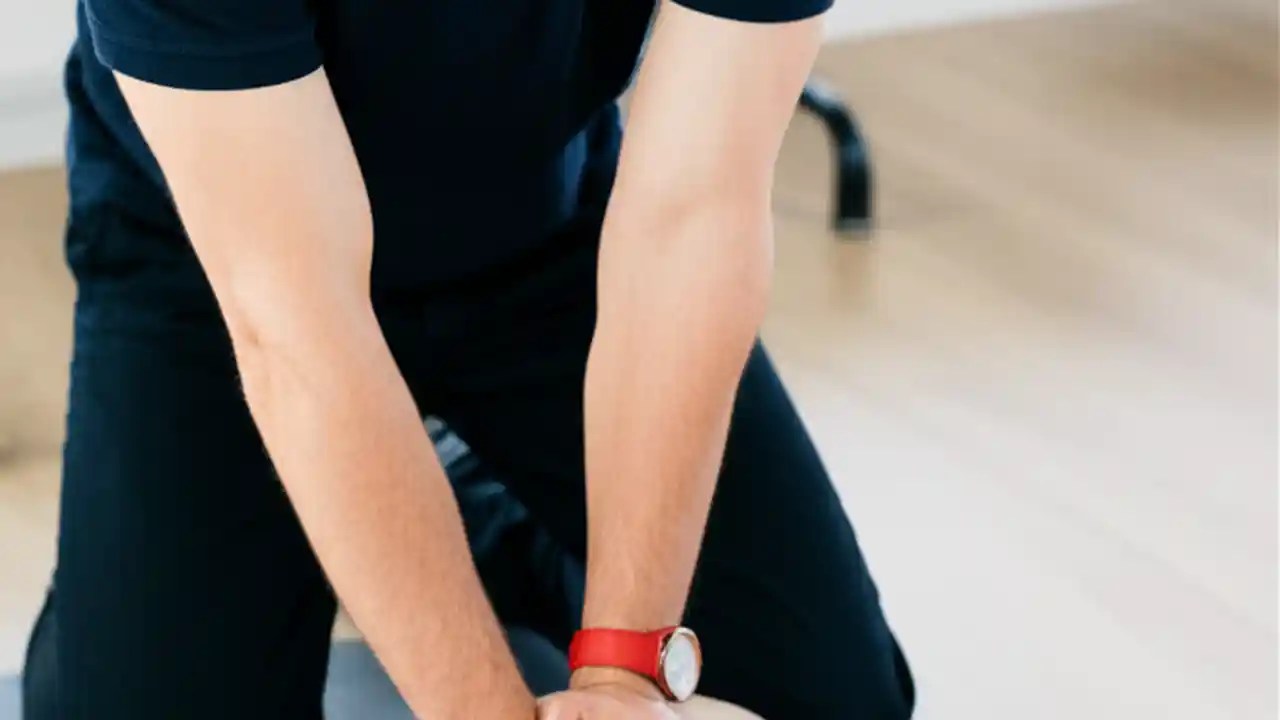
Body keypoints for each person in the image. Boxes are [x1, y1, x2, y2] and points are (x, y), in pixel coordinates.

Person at [25, 0, 916, 716]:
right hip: (221, 271)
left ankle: (472, 506)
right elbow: (294, 325)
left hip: (545, 224)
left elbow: (697, 212)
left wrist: (624, 672)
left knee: (825, 701)